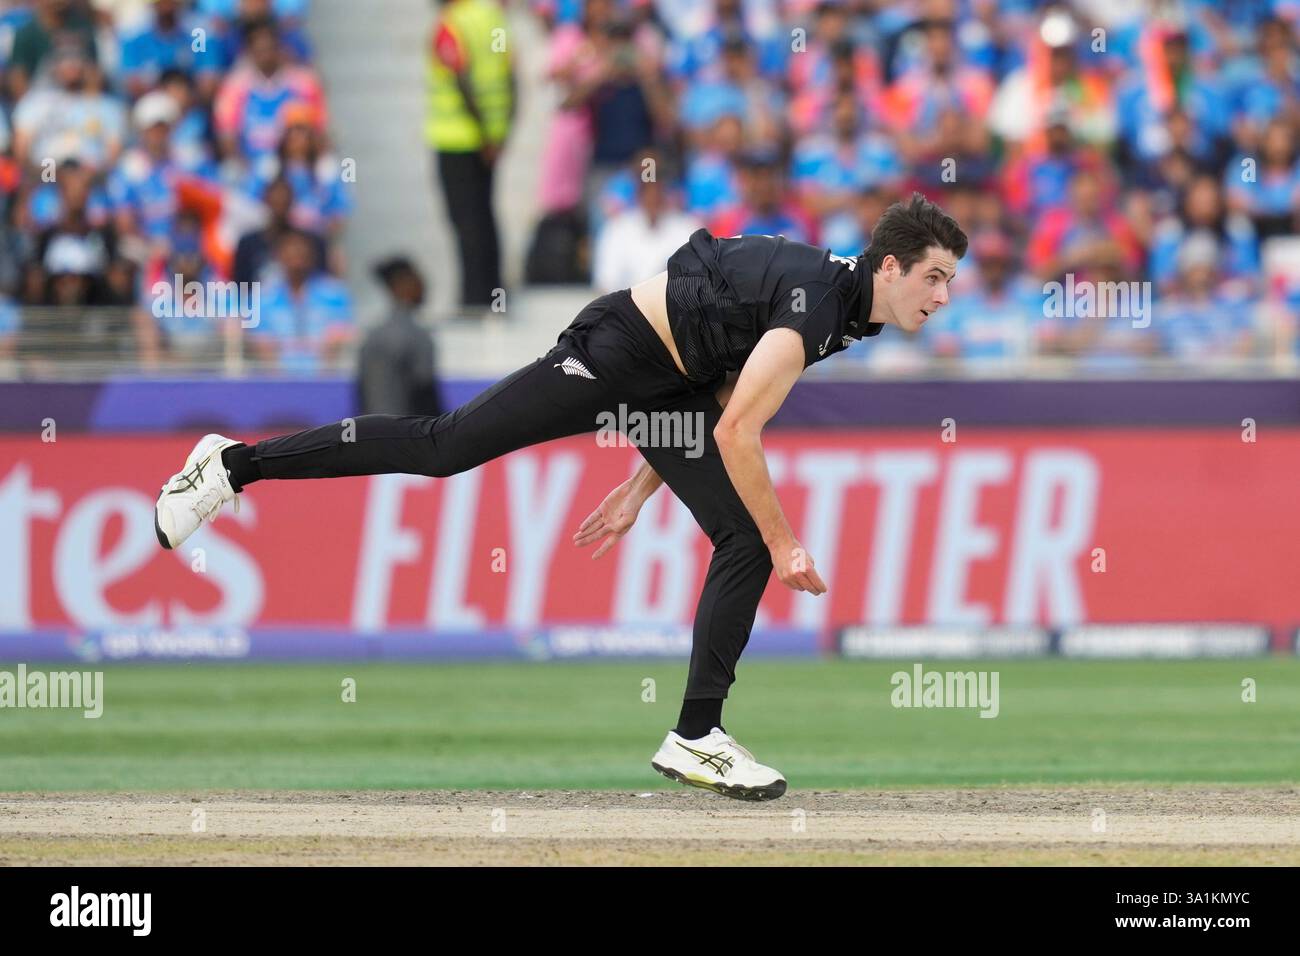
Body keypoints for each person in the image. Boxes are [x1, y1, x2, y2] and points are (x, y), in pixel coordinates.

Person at [152, 193, 967, 801]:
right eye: (933, 276)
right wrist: (790, 542)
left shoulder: (849, 309)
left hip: (668, 383)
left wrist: (641, 484)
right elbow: (736, 435)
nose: (942, 294)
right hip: (619, 354)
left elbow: (717, 392)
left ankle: (696, 735)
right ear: (888, 265)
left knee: (741, 541)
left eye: (951, 282)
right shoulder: (821, 305)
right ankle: (231, 466)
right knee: (447, 446)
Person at [357, 256, 443, 416]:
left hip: (371, 434)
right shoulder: (417, 336)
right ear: (402, 284)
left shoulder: (371, 337)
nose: (424, 286)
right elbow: (425, 395)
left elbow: (360, 394)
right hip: (407, 434)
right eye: (417, 279)